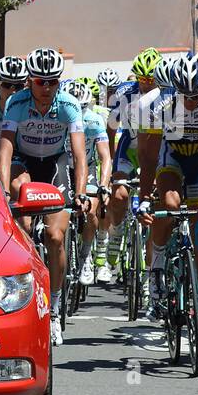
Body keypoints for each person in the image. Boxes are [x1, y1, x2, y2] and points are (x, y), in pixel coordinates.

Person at [136, 52, 198, 344]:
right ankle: (156, 271)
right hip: (172, 159)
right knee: (167, 206)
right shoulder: (162, 105)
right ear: (176, 90)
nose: (191, 101)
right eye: (186, 96)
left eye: (197, 96)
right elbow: (149, 156)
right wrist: (143, 198)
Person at [0, 47, 88, 345]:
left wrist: (81, 192)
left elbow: (78, 154)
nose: (47, 88)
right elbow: (6, 149)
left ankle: (55, 307)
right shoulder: (16, 103)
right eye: (40, 82)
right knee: (21, 217)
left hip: (54, 164)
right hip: (25, 162)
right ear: (29, 82)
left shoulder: (69, 104)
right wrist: (1, 193)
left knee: (55, 236)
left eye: (52, 81)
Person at [101, 48, 163, 283]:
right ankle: (115, 234)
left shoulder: (167, 96)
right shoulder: (124, 93)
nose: (146, 84)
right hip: (130, 148)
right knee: (119, 195)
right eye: (142, 79)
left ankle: (149, 273)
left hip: (155, 152)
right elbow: (111, 130)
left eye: (150, 79)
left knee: (155, 209)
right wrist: (112, 164)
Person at [66, 80, 112, 286]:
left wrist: (104, 185)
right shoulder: (58, 117)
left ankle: (85, 256)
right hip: (63, 164)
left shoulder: (94, 120)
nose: (79, 113)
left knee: (92, 209)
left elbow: (105, 157)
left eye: (83, 108)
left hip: (88, 165)